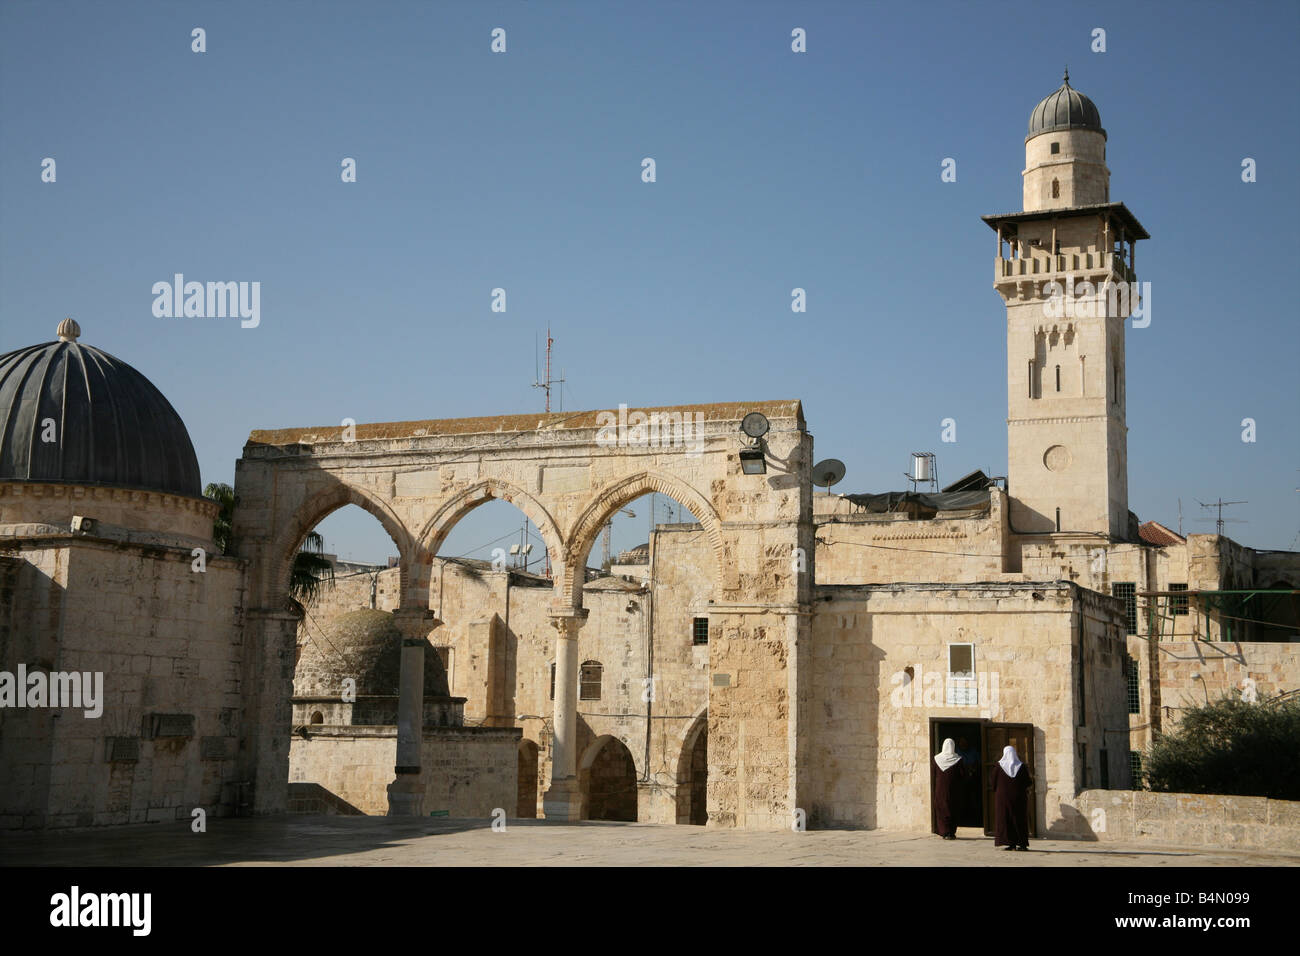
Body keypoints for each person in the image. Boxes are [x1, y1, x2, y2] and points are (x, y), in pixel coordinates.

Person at [991, 744, 1032, 850]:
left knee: (1006, 819)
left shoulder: (999, 766)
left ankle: (1011, 843)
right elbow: (1028, 782)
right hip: (1019, 798)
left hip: (1003, 798)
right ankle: (1022, 844)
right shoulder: (1021, 766)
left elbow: (993, 782)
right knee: (1019, 819)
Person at [933, 738, 964, 839]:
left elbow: (933, 774)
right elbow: (962, 774)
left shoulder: (936, 759)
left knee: (942, 809)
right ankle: (951, 832)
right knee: (952, 809)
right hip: (954, 790)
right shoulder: (958, 759)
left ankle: (944, 831)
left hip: (940, 789)